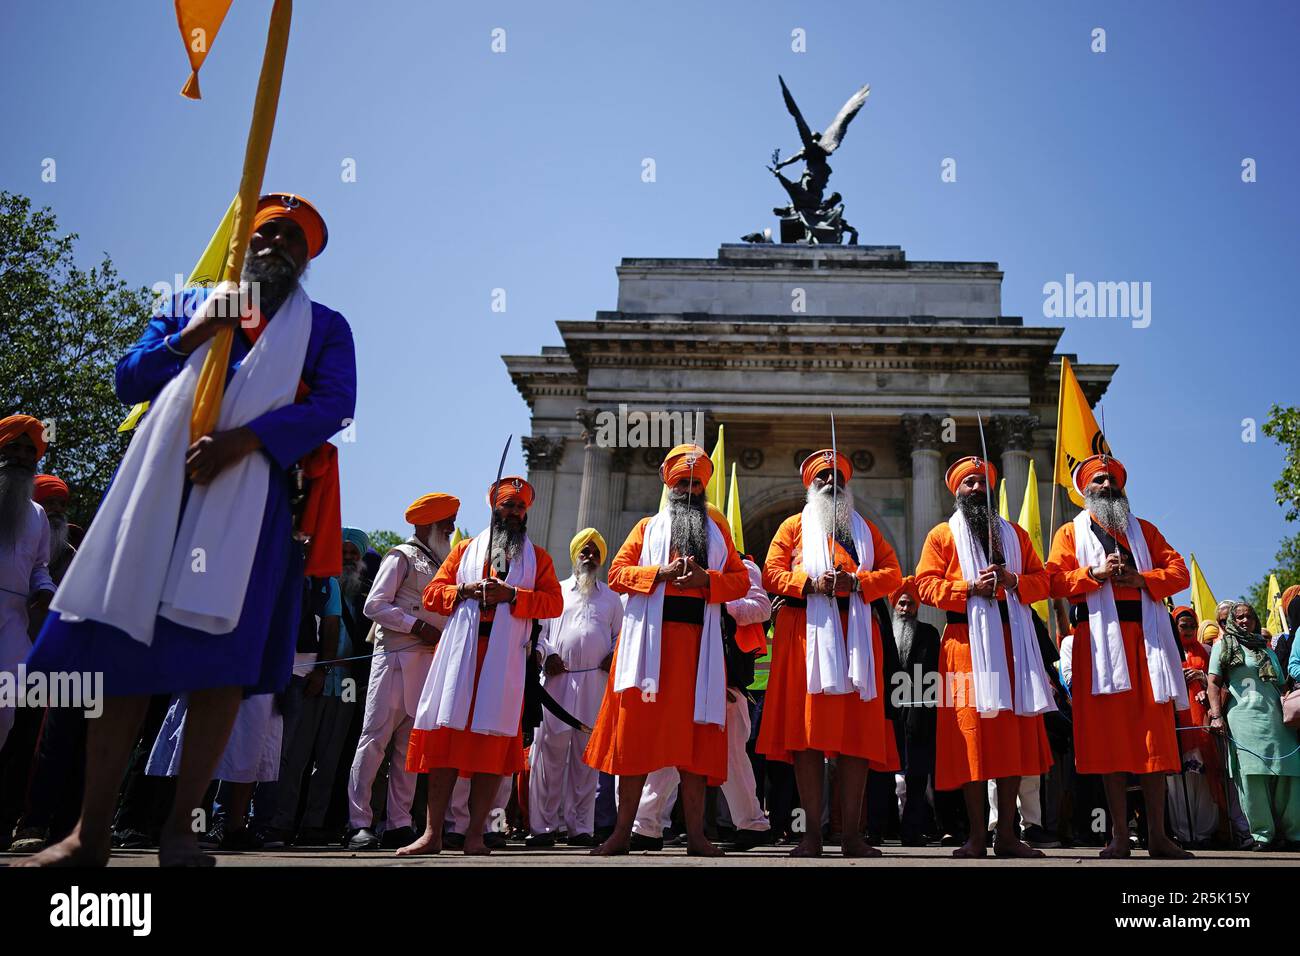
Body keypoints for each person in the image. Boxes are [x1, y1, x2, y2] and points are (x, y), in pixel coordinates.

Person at [23, 193, 356, 867]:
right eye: (266, 233)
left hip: (248, 509)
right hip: (155, 497)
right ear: (244, 242)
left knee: (219, 670)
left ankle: (182, 831)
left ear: (306, 259)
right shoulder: (189, 305)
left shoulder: (324, 328)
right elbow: (128, 379)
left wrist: (246, 441)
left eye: (292, 240)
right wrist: (198, 331)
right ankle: (89, 834)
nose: (275, 246)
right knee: (120, 661)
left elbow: (334, 405)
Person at [584, 444, 750, 857]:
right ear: (669, 485)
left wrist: (704, 579)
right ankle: (623, 832)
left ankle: (696, 836)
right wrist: (660, 573)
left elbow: (740, 582)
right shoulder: (646, 528)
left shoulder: (718, 532)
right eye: (683, 483)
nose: (690, 490)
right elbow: (619, 574)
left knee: (694, 744)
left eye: (697, 484)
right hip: (646, 651)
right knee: (637, 742)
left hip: (698, 651)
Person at [398, 476, 563, 856]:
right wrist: (465, 590)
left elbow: (553, 604)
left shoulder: (538, 558)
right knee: (445, 744)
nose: (515, 512)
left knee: (491, 746)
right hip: (460, 657)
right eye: (508, 505)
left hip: (504, 661)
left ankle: (475, 834)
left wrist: (513, 595)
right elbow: (432, 595)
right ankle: (432, 834)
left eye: (520, 507)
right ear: (494, 508)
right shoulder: (465, 551)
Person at [756, 449, 903, 858]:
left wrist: (857, 582)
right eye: (822, 476)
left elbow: (893, 573)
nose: (830, 481)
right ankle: (812, 836)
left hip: (857, 639)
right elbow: (772, 573)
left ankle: (853, 835)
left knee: (855, 738)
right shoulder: (791, 527)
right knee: (807, 738)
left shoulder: (866, 529)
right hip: (805, 637)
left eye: (837, 475)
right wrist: (810, 582)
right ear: (810, 485)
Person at [1046, 454, 1192, 859]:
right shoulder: (1069, 534)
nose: (1108, 487)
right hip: (1097, 645)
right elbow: (1052, 579)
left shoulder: (1145, 531)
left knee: (1154, 741)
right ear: (1085, 491)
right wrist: (1095, 574)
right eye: (1099, 483)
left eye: (1113, 482)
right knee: (1111, 742)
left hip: (1148, 645)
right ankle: (1118, 838)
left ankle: (1159, 836)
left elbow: (1179, 571)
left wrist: (1142, 578)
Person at [915, 456, 1056, 860]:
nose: (977, 488)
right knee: (970, 738)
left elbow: (1044, 580)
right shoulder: (941, 535)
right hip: (962, 645)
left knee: (1010, 740)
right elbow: (925, 585)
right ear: (956, 492)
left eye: (982, 483)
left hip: (1014, 644)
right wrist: (968, 588)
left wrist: (1014, 580)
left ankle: (1008, 835)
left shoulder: (1017, 535)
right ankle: (976, 834)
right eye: (969, 483)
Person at [347, 494, 459, 850]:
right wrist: (416, 626)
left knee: (409, 749)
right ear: (427, 523)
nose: (452, 528)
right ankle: (358, 822)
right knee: (374, 740)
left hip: (427, 666)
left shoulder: (444, 562)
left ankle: (398, 822)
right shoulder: (400, 556)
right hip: (394, 658)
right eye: (447, 521)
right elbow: (374, 605)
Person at [273, 528, 371, 845]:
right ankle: (280, 822)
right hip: (309, 680)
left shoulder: (366, 595)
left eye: (353, 553)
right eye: (342, 550)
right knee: (295, 757)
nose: (347, 557)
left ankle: (314, 824)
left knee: (330, 761)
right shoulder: (316, 585)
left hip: (346, 687)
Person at [526, 528, 619, 847]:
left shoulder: (612, 598)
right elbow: (539, 633)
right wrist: (548, 655)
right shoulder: (556, 592)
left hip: (595, 683)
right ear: (574, 555)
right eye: (585, 551)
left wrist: (614, 655)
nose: (590, 556)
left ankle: (581, 828)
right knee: (547, 758)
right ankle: (542, 829)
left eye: (595, 552)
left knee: (586, 761)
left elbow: (622, 637)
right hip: (557, 683)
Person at [1208, 602, 1300, 849]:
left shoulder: (1265, 648)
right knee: (1252, 776)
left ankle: (1293, 835)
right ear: (1231, 622)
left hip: (1276, 719)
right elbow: (1214, 683)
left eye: (1248, 616)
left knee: (1288, 771)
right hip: (1243, 719)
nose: (1243, 621)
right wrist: (1216, 716)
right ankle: (1263, 835)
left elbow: (1281, 686)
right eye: (1238, 618)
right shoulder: (1223, 647)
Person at [0, 417, 55, 754]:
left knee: (5, 713)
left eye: (29, 450)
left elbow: (39, 566)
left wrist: (45, 588)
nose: (21, 455)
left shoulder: (39, 514)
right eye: (14, 447)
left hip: (13, 623)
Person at [1166, 606, 1225, 847]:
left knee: (1202, 776)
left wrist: (1201, 678)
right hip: (1177, 720)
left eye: (1192, 626)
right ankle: (1183, 831)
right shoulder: (1167, 650)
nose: (1189, 630)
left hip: (1200, 721)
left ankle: (1203, 831)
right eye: (1183, 626)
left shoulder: (1207, 651)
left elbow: (1216, 680)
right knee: (1178, 780)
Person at [889, 577, 940, 846]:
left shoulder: (930, 634)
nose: (906, 609)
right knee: (883, 775)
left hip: (920, 714)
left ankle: (912, 830)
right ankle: (881, 828)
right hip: (889, 714)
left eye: (910, 604)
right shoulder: (883, 632)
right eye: (902, 603)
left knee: (918, 775)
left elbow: (934, 675)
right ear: (894, 605)